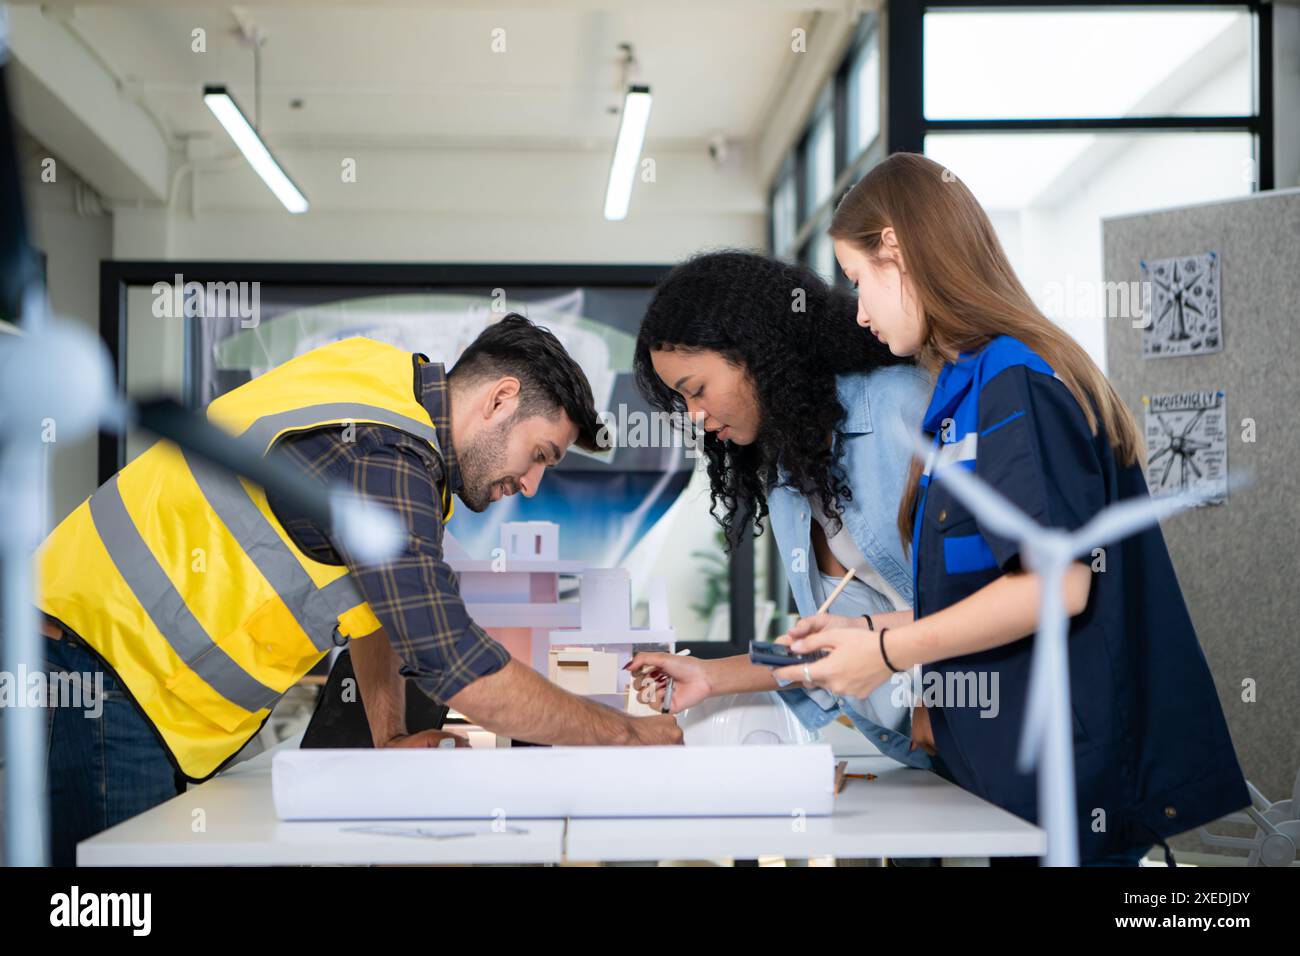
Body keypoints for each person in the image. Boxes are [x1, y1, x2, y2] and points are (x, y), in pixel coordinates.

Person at [36, 314, 681, 865]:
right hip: (102, 663)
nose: (532, 483)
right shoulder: (388, 451)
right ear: (500, 399)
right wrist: (625, 736)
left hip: (134, 681)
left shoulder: (390, 400)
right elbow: (457, 668)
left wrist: (391, 739)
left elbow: (377, 612)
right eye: (540, 454)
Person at [774, 153, 1249, 866]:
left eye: (860, 281)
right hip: (1011, 780)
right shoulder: (961, 392)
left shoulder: (1015, 384)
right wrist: (864, 628)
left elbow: (1058, 587)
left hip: (1065, 779)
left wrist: (883, 653)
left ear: (897, 250)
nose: (861, 312)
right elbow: (988, 591)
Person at [626, 250, 937, 766]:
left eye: (696, 390)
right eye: (682, 402)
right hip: (926, 752)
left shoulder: (900, 408)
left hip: (992, 723)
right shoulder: (792, 472)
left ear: (758, 352)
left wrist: (933, 697)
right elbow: (837, 641)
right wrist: (710, 676)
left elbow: (982, 598)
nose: (696, 417)